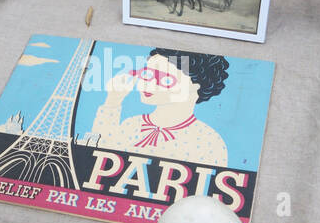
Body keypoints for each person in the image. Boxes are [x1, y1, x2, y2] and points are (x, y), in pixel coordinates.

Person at [90, 49, 229, 166]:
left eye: (165, 79)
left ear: (194, 86)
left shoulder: (209, 142)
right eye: (147, 74)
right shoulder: (131, 124)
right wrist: (113, 100)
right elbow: (96, 158)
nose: (147, 84)